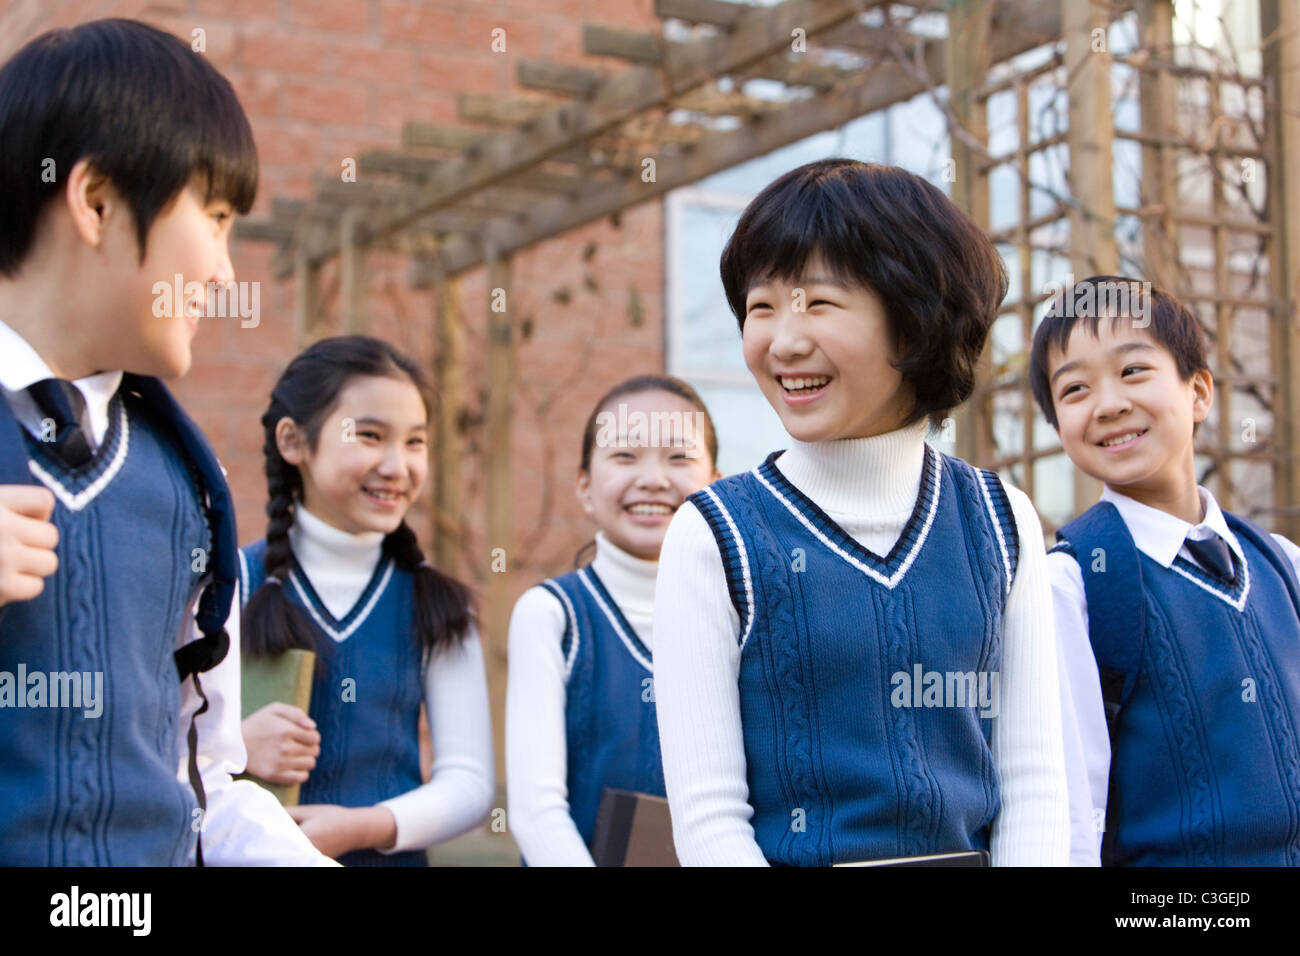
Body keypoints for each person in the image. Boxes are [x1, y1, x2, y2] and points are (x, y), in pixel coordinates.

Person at [653, 159, 1070, 866]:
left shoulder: (1002, 521)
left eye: (817, 303)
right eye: (762, 307)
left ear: (914, 323)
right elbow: (709, 820)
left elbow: (1031, 781)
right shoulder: (714, 534)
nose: (782, 342)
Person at [0, 18, 331, 865]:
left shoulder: (190, 481)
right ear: (98, 201)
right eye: (215, 218)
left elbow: (204, 789)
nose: (225, 272)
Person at [1030, 275, 1300, 866]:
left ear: (1198, 391)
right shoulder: (1069, 588)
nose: (1109, 404)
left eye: (1132, 372)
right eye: (1074, 389)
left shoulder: (1284, 565)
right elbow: (1072, 818)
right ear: (1058, 428)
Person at [239, 335, 494, 866]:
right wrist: (235, 746)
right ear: (293, 441)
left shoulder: (441, 607)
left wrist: (362, 827)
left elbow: (469, 783)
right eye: (371, 436)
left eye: (415, 442)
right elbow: (157, 747)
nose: (397, 466)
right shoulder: (226, 584)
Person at [506, 375, 720, 865]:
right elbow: (536, 813)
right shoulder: (553, 616)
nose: (652, 479)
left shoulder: (741, 621)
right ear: (583, 485)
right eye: (624, 456)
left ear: (715, 482)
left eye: (679, 458)